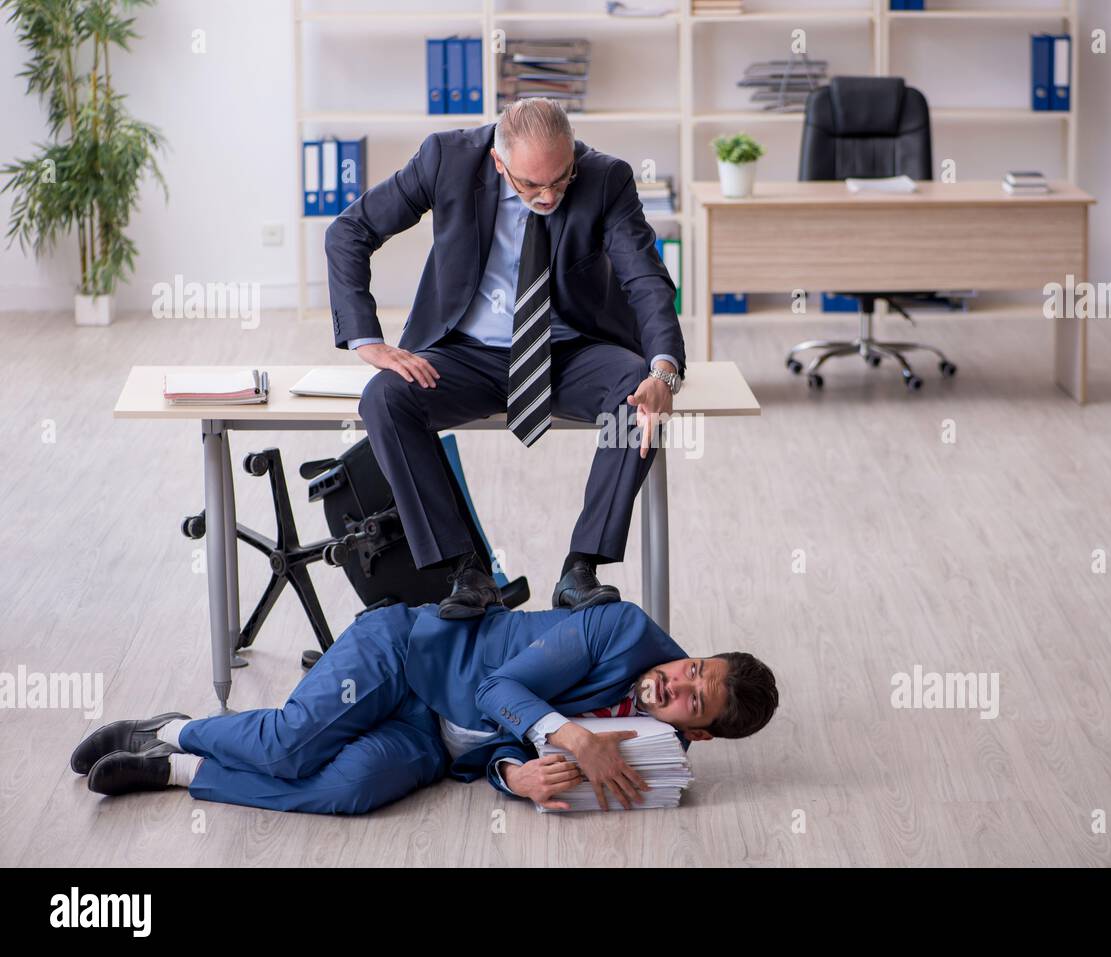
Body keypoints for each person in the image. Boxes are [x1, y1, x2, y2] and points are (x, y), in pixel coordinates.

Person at [326, 97, 685, 619]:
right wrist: (367, 340)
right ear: (499, 161)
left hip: (568, 350)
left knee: (636, 391)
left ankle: (581, 569)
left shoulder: (607, 178)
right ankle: (465, 571)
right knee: (385, 398)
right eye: (530, 185)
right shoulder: (446, 158)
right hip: (466, 353)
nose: (547, 196)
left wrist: (663, 370)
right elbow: (349, 231)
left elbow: (645, 278)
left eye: (560, 180)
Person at [72, 601, 778, 814]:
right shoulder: (622, 629)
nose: (674, 686)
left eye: (692, 700)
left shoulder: (657, 757)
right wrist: (572, 736)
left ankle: (178, 772)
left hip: (441, 746)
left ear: (702, 733)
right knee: (292, 747)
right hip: (413, 654)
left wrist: (521, 780)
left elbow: (512, 748)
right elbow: (501, 690)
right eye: (694, 668)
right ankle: (172, 726)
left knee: (349, 790)